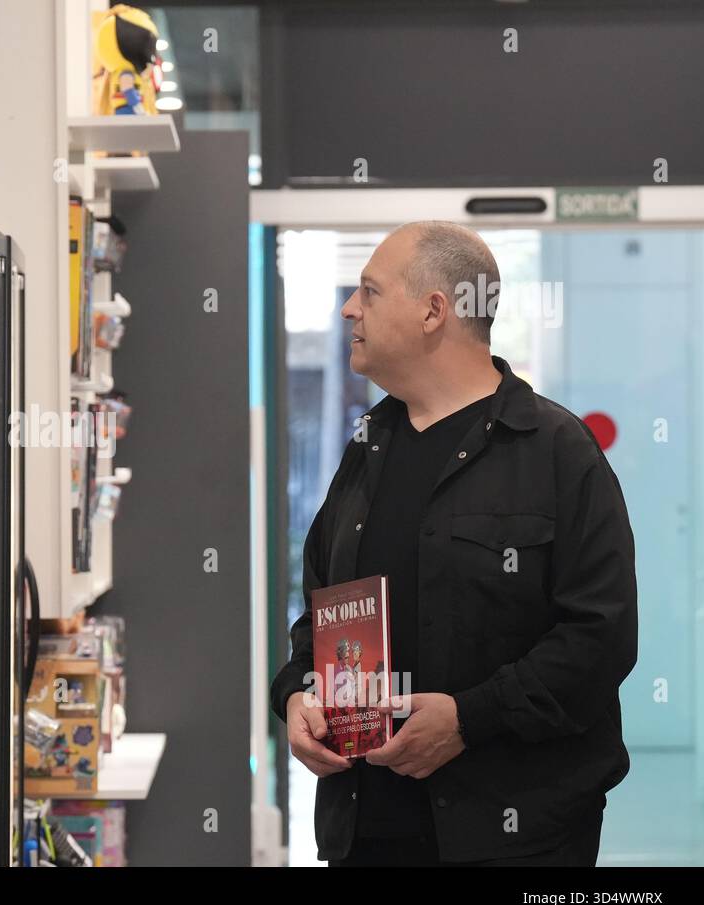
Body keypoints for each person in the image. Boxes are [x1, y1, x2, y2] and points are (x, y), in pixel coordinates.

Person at [271, 221, 637, 867]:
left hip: (515, 839)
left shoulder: (556, 451)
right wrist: (298, 695)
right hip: (366, 833)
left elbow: (600, 638)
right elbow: (321, 618)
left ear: (433, 311)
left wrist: (470, 720)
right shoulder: (365, 450)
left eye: (369, 291)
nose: (349, 308)